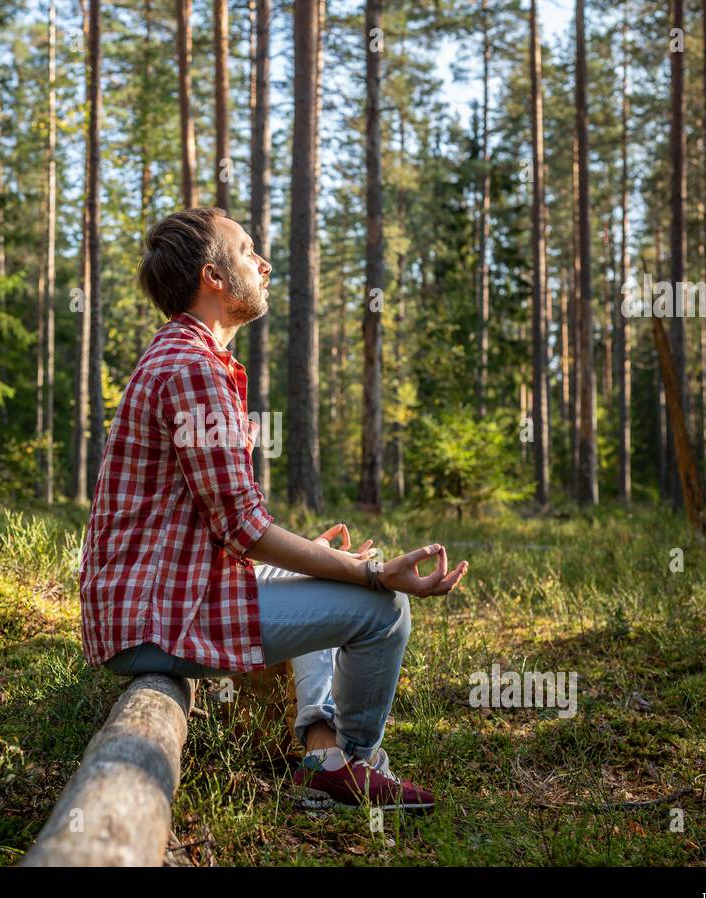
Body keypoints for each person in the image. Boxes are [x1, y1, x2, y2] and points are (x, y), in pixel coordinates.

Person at [79, 207, 468, 811]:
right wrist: (366, 574)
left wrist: (314, 558)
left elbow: (219, 525)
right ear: (213, 276)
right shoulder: (193, 369)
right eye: (247, 252)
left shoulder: (184, 357)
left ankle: (323, 751)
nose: (263, 265)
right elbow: (243, 528)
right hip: (158, 619)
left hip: (154, 602)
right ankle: (353, 769)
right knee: (384, 611)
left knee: (319, 571)